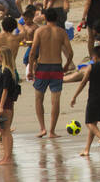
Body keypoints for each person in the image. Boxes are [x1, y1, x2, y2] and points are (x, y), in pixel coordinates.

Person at [28, 8, 74, 138]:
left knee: (38, 99)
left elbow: (32, 52)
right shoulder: (61, 32)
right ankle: (52, 131)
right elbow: (70, 52)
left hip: (42, 68)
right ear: (57, 18)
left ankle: (42, 128)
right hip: (56, 67)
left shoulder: (39, 31)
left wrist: (31, 69)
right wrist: (66, 65)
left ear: (45, 18)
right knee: (55, 101)